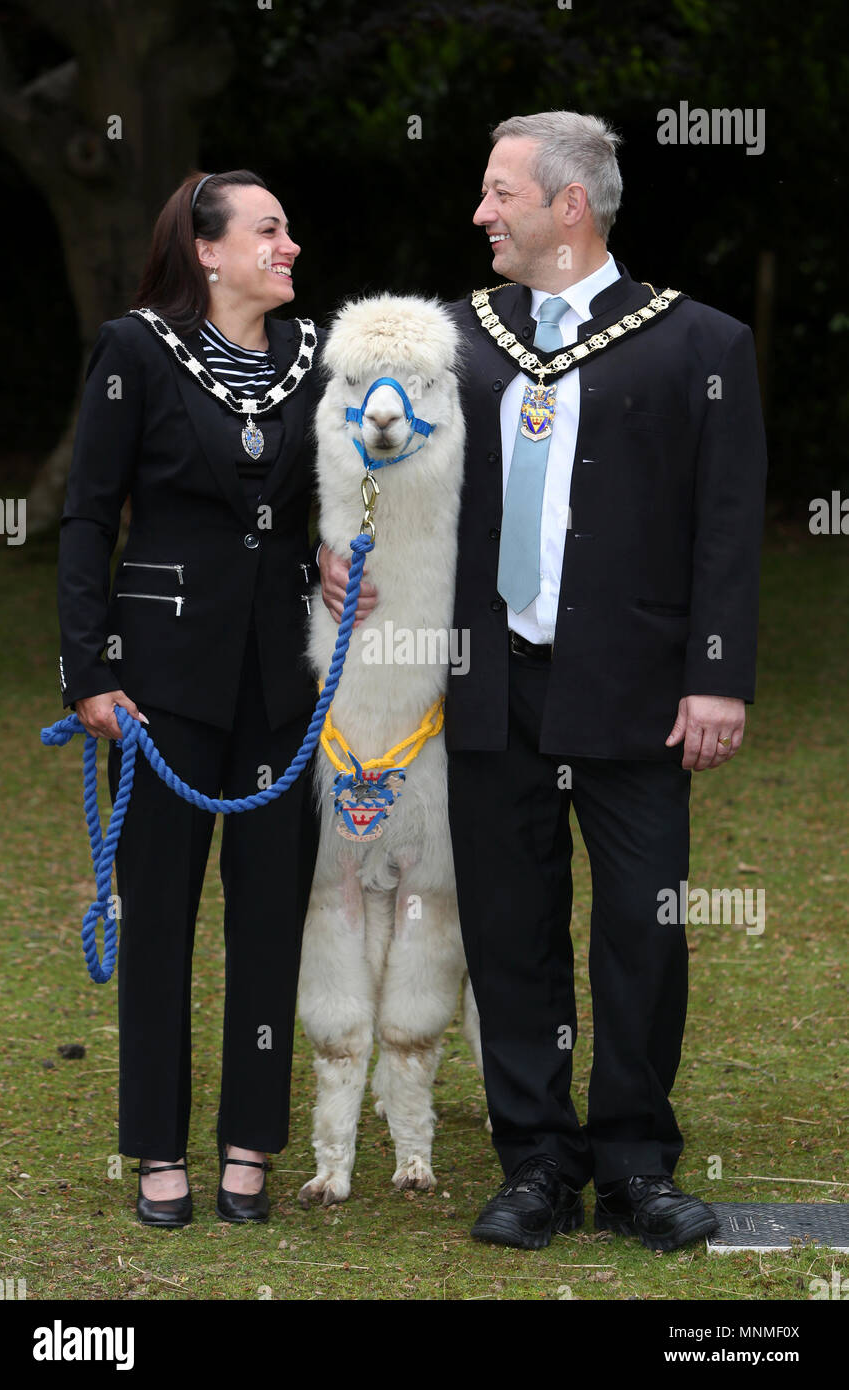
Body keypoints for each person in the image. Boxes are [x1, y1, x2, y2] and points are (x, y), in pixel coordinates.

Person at [319, 111, 767, 1253]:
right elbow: (375, 458)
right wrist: (333, 543)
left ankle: (632, 1161)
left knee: (639, 929)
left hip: (630, 690)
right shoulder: (458, 343)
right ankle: (534, 1161)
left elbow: (725, 530)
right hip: (489, 686)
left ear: (568, 204)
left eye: (497, 192)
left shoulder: (696, 345)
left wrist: (716, 677)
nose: (479, 213)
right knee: (512, 933)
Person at [57, 169, 324, 1226]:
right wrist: (90, 671)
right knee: (159, 917)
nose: (289, 245)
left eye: (289, 228)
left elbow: (330, 501)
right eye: (269, 229)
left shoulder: (314, 361)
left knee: (268, 918)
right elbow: (86, 518)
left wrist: (343, 561)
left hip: (280, 684)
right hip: (158, 686)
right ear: (207, 251)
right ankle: (158, 1151)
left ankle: (249, 1146)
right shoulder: (134, 351)